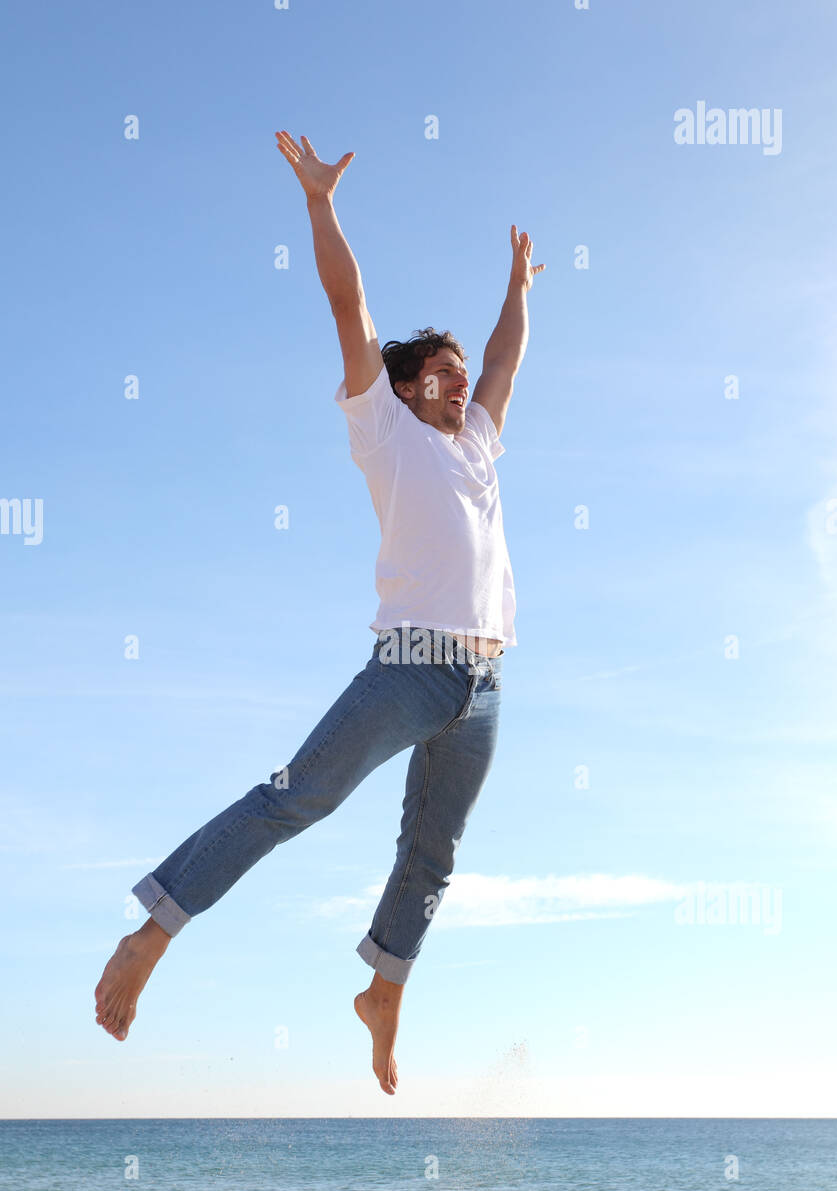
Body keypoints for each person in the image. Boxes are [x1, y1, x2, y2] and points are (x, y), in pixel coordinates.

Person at [94, 132, 544, 1095]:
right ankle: (153, 931)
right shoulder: (384, 428)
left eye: (468, 376)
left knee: (435, 851)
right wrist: (319, 204)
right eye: (449, 372)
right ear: (411, 379)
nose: (466, 384)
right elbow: (350, 305)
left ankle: (384, 985)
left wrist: (518, 292)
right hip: (408, 670)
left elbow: (508, 361)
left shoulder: (478, 446)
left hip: (486, 684)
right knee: (299, 799)